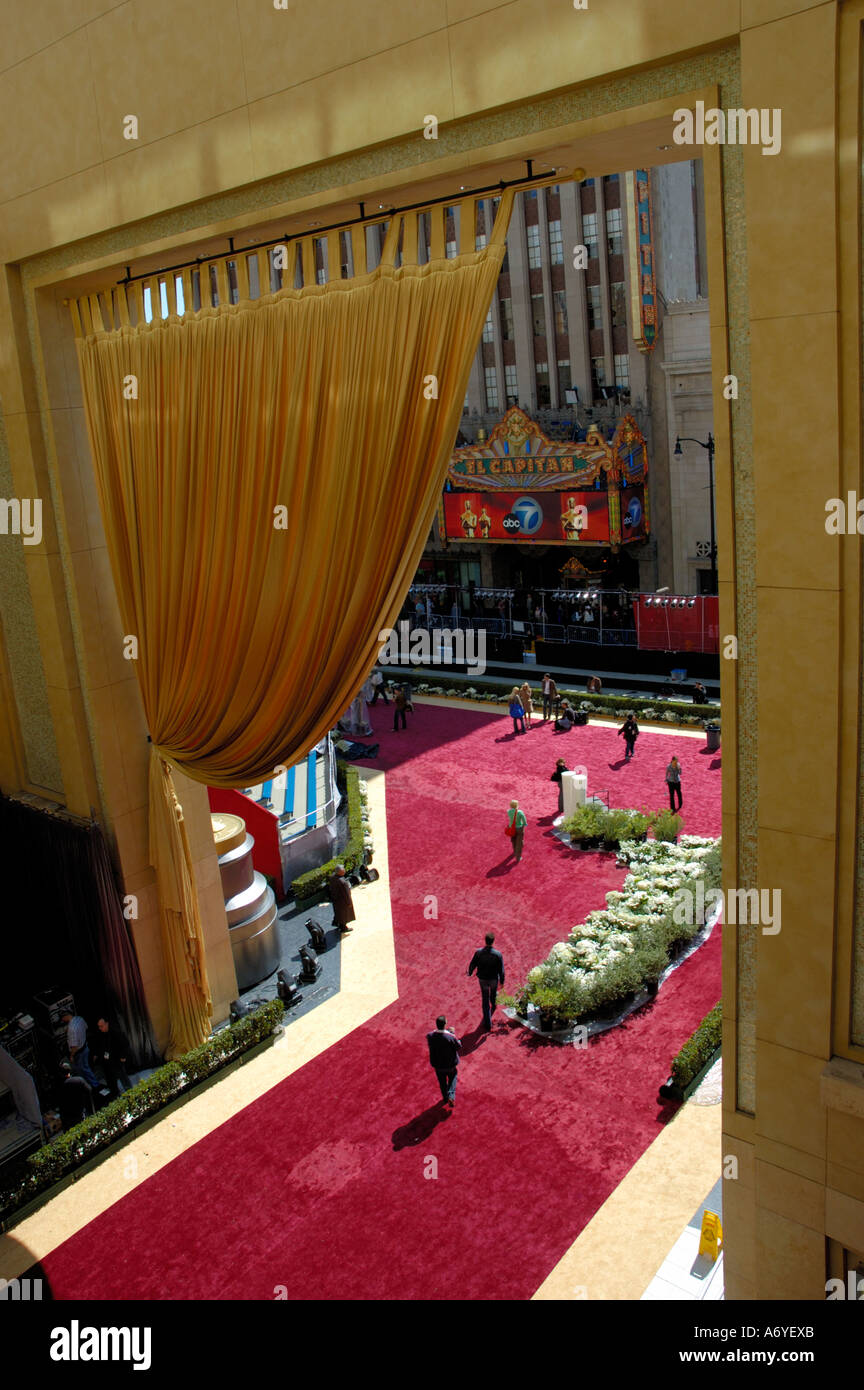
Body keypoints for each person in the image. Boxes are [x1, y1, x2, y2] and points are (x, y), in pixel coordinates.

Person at [467, 933, 505, 1031]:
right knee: (493, 993)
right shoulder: (497, 954)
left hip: (483, 979)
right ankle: (494, 1003)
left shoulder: (478, 952)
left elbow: (472, 964)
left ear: (485, 940)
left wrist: (470, 972)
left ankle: (488, 1024)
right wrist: (502, 981)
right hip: (493, 979)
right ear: (493, 941)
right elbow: (501, 970)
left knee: (485, 999)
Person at [92, 1016, 132, 1099]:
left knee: (122, 1075)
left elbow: (124, 1044)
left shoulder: (115, 1032)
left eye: (101, 1026)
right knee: (111, 1079)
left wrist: (123, 1056)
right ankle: (115, 1094)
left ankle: (130, 1092)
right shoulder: (102, 1034)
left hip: (117, 1058)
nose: (100, 1028)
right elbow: (101, 1046)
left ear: (106, 1024)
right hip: (108, 1060)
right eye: (99, 1026)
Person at [427, 1015, 462, 1108]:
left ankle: (445, 1097)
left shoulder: (430, 1036)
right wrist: (452, 1034)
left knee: (442, 1082)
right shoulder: (450, 1037)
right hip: (450, 1064)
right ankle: (451, 1095)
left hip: (438, 1064)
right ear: (445, 1024)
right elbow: (458, 1046)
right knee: (453, 1077)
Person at [60, 1010, 100, 1089]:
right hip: (85, 1047)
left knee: (83, 1070)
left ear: (65, 1017)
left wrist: (72, 1056)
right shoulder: (79, 1019)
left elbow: (74, 1047)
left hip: (79, 1052)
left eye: (62, 1019)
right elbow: (86, 1027)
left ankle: (94, 1086)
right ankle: (93, 1085)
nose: (62, 1020)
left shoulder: (72, 1029)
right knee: (85, 1067)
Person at [57, 1062, 95, 1131]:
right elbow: (89, 1091)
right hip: (82, 1112)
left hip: (70, 1119)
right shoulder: (79, 1080)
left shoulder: (59, 1088)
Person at [328, 864, 356, 933]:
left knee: (339, 914)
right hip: (343, 902)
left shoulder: (332, 878)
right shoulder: (342, 882)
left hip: (336, 900)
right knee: (344, 915)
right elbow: (346, 894)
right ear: (340, 872)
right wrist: (349, 903)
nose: (344, 870)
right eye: (343, 870)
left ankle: (339, 924)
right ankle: (344, 928)